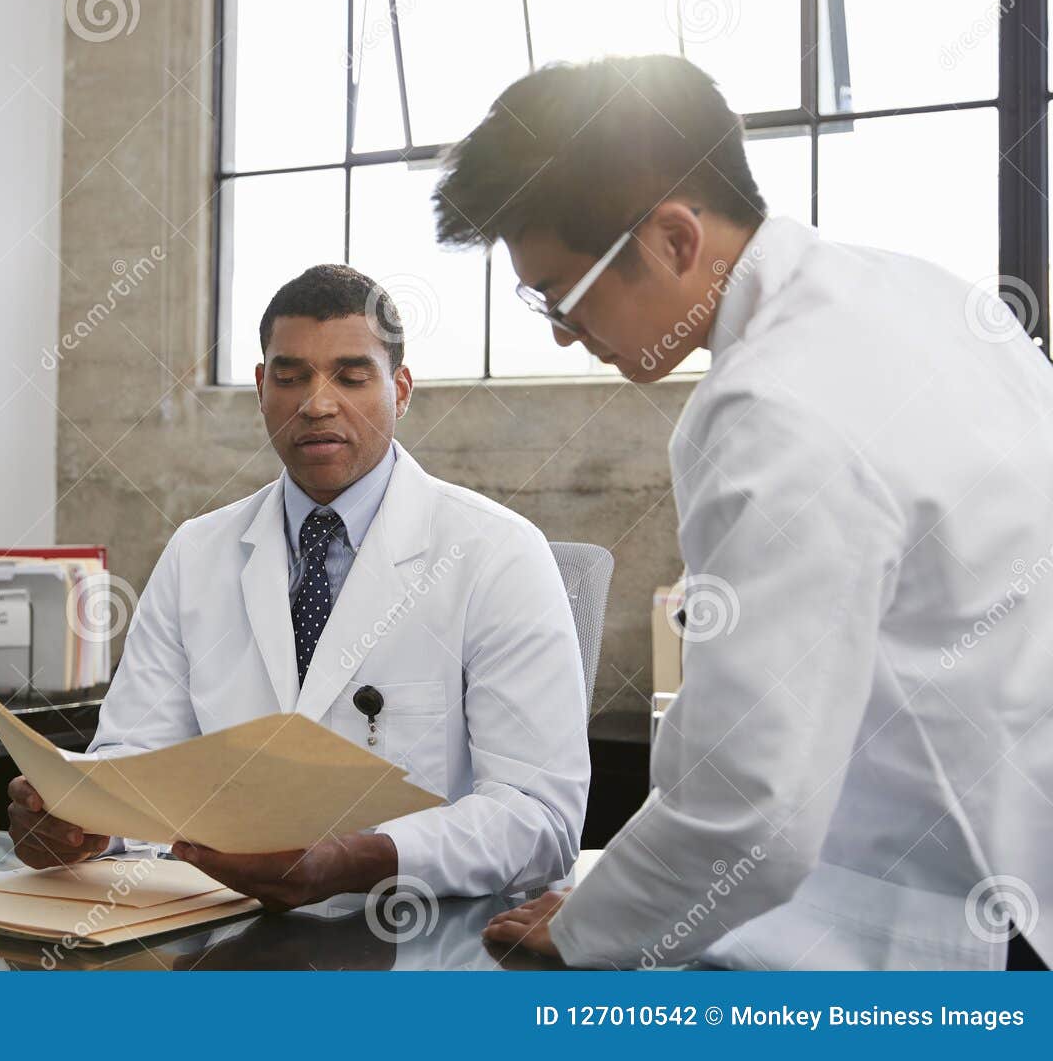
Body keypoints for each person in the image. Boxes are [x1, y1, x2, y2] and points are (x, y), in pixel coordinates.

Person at [435, 54, 1052, 969]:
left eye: (563, 294)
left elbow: (752, 810)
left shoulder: (771, 409)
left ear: (676, 240)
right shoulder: (917, 290)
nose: (563, 330)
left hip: (956, 920)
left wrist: (586, 929)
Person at [6, 264, 590, 909]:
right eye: (290, 377)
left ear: (400, 388)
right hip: (218, 927)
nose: (316, 403)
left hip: (415, 935)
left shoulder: (496, 552)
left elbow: (540, 820)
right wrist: (81, 823)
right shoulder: (199, 550)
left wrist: (350, 861)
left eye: (351, 375)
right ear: (261, 388)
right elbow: (136, 759)